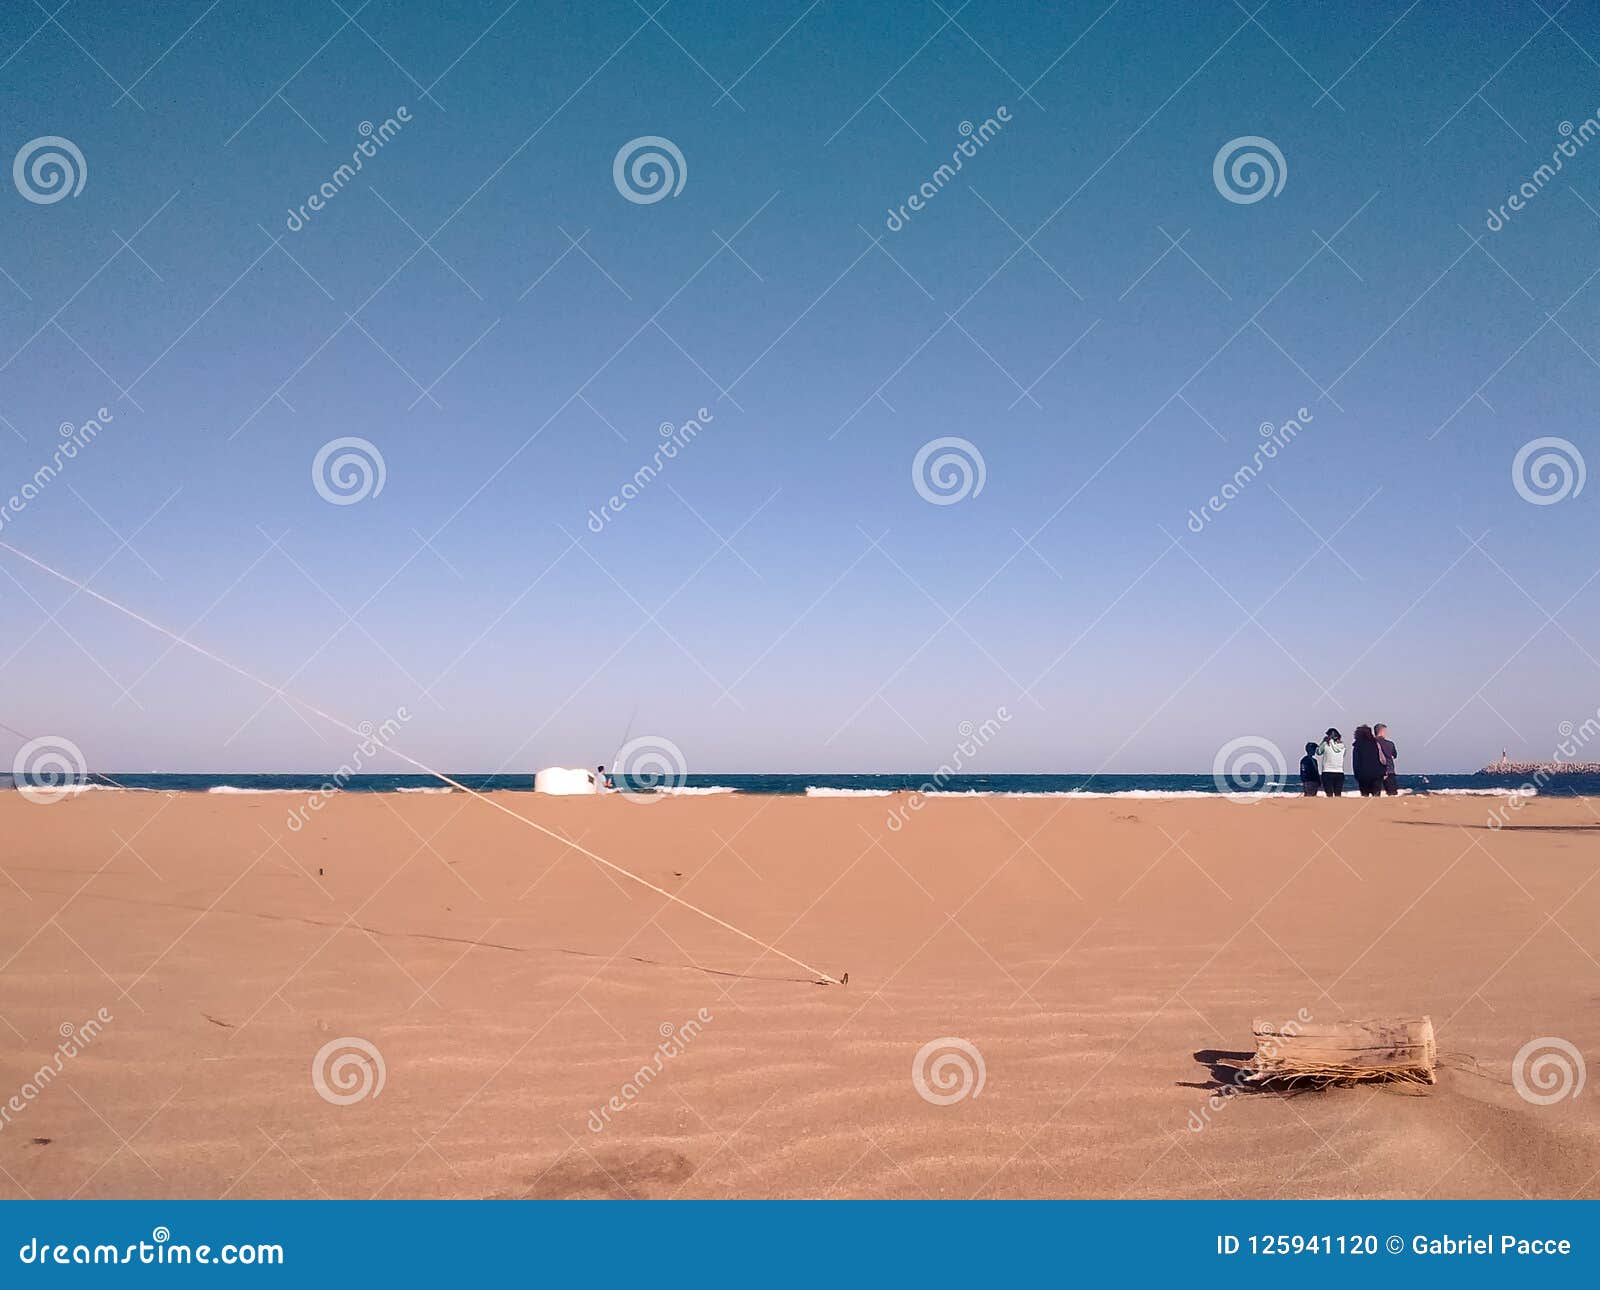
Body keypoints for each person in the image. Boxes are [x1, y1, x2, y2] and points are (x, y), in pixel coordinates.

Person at [1352, 725, 1384, 796]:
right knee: (1376, 796)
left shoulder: (1357, 745)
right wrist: (1383, 770)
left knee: (1364, 795)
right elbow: (1381, 758)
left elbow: (1356, 762)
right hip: (1377, 774)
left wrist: (1357, 774)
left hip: (1363, 774)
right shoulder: (1375, 743)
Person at [1317, 727, 1346, 796]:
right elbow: (1343, 756)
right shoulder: (1343, 746)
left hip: (1327, 771)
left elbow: (1318, 752)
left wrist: (1323, 741)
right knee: (1338, 794)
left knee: (1329, 794)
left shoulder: (1325, 744)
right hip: (1339, 771)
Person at [1375, 723, 1398, 795]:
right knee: (1392, 794)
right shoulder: (1389, 744)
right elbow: (1394, 755)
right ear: (1382, 731)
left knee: (1375, 795)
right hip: (1389, 770)